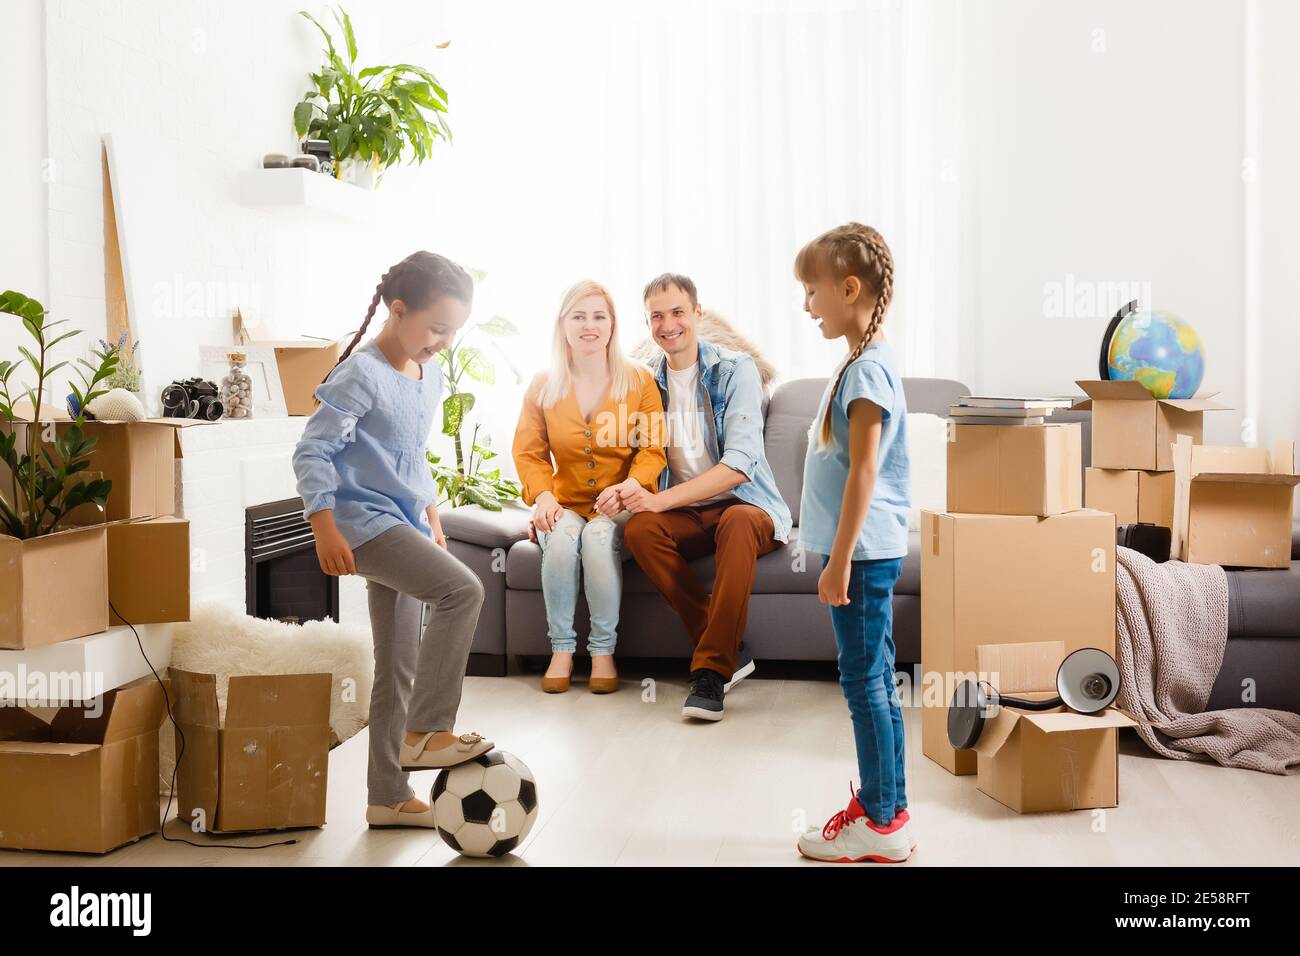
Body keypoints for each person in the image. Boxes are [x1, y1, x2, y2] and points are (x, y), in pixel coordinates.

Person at [293, 251, 494, 832]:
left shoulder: (427, 376)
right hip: (360, 523)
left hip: (402, 522)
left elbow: (411, 453)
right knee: (463, 591)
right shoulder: (361, 373)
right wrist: (323, 524)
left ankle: (387, 795)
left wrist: (431, 514)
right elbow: (313, 450)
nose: (444, 343)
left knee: (397, 665)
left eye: (452, 332)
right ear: (398, 310)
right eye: (437, 329)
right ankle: (426, 731)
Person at [790, 223, 916, 864]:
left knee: (864, 683)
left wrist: (838, 560)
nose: (807, 304)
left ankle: (881, 822)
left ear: (848, 289)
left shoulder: (866, 371)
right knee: (876, 681)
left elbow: (865, 472)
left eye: (812, 290)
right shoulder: (867, 359)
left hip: (861, 554)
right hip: (867, 551)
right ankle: (887, 811)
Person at [620, 274, 792, 721]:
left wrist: (661, 500)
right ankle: (731, 650)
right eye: (657, 316)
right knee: (640, 529)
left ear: (697, 313)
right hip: (686, 513)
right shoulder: (645, 380)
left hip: (746, 505)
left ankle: (712, 672)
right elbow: (636, 452)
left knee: (736, 521)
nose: (668, 325)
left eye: (678, 312)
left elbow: (739, 465)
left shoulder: (735, 369)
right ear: (647, 323)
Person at [513, 280, 666, 694]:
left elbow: (653, 448)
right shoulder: (543, 385)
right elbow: (528, 452)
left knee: (598, 540)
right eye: (578, 316)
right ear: (562, 325)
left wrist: (630, 486)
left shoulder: (639, 380)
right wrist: (544, 496)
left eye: (599, 316)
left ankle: (602, 653)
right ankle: (561, 651)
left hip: (621, 504)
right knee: (563, 541)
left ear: (612, 325)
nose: (589, 325)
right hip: (564, 503)